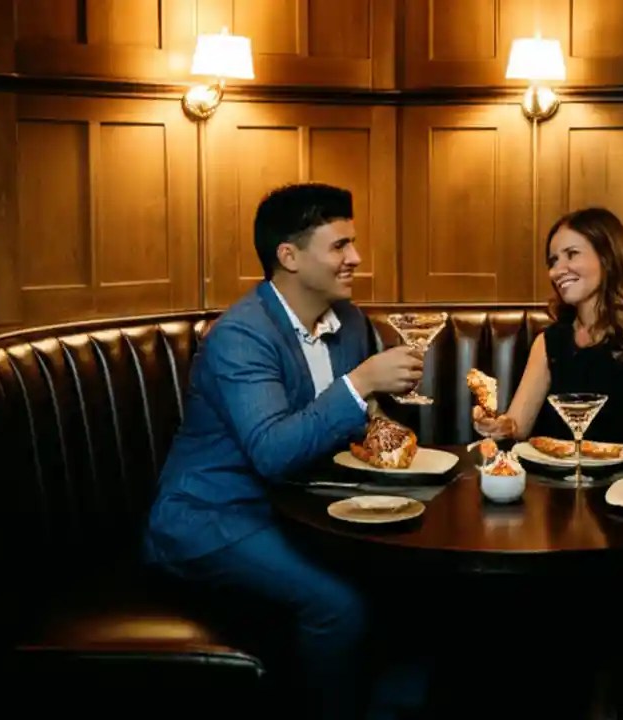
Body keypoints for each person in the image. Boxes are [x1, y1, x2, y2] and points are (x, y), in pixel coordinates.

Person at [142, 183, 427, 719]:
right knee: (337, 605)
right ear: (289, 256)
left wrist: (386, 420)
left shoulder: (351, 324)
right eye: (340, 245)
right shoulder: (240, 336)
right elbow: (272, 451)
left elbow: (360, 424)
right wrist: (361, 383)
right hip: (213, 516)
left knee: (412, 585)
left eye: (354, 243)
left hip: (301, 512)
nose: (356, 258)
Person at [473, 207, 623, 456]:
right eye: (553, 261)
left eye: (571, 254)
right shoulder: (548, 342)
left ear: (608, 258)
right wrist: (496, 426)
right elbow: (517, 427)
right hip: (563, 489)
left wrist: (618, 464)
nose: (557, 271)